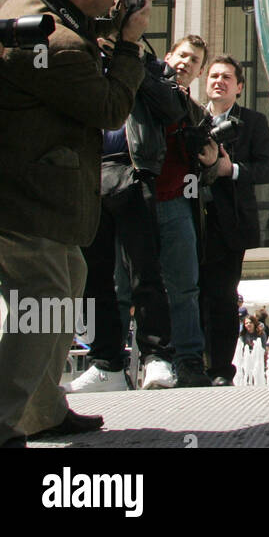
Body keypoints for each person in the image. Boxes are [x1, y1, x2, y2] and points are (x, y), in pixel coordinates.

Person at [0, 0, 151, 446]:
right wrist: (128, 44)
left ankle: (41, 411)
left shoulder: (42, 0)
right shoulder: (51, 43)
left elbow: (80, 29)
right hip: (22, 197)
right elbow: (109, 109)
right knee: (41, 300)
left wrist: (110, 21)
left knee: (68, 282)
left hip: (36, 191)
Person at [68, 37, 182, 393]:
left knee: (145, 271)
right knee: (94, 276)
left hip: (134, 170)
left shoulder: (147, 65)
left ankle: (156, 357)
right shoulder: (78, 60)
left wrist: (132, 61)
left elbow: (173, 110)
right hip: (87, 173)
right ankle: (107, 364)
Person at [200, 55, 269, 385]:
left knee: (222, 295)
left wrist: (230, 170)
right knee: (192, 293)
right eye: (214, 76)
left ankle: (220, 369)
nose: (219, 81)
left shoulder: (254, 121)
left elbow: (266, 169)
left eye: (227, 77)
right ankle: (192, 363)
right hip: (192, 219)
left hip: (230, 223)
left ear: (240, 87)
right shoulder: (191, 118)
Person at [152, 35, 223, 387]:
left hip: (178, 202)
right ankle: (122, 362)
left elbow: (209, 170)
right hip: (136, 199)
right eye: (182, 56)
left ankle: (189, 362)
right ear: (168, 56)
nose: (186, 63)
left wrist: (210, 161)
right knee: (131, 286)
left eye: (194, 60)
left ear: (198, 72)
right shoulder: (143, 91)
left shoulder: (196, 113)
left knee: (185, 286)